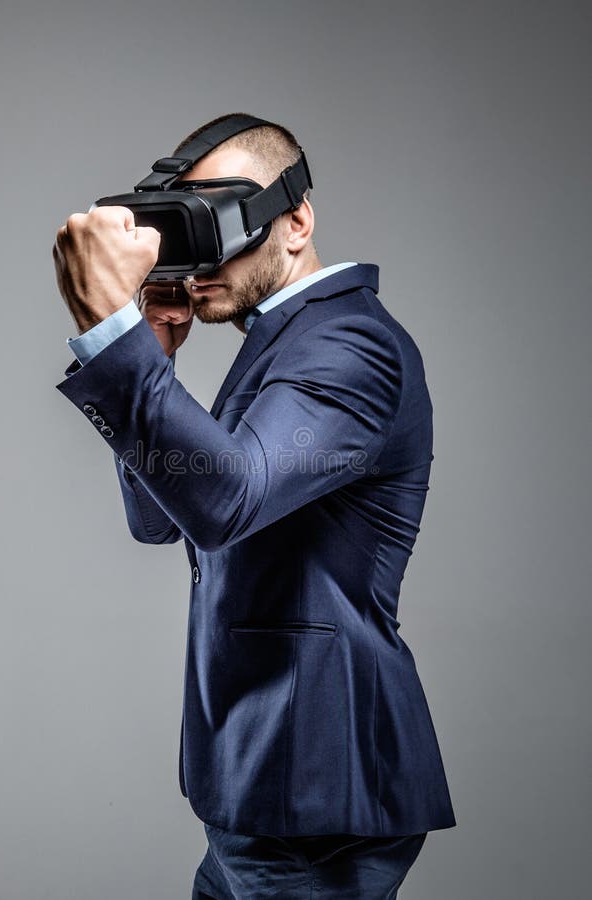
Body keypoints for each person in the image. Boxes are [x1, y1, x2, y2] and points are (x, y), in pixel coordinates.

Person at [52, 113, 456, 899]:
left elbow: (223, 503)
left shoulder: (349, 344)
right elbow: (163, 517)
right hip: (258, 781)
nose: (201, 256)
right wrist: (155, 356)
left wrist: (112, 335)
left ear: (296, 220)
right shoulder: (280, 343)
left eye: (220, 222)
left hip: (315, 787)